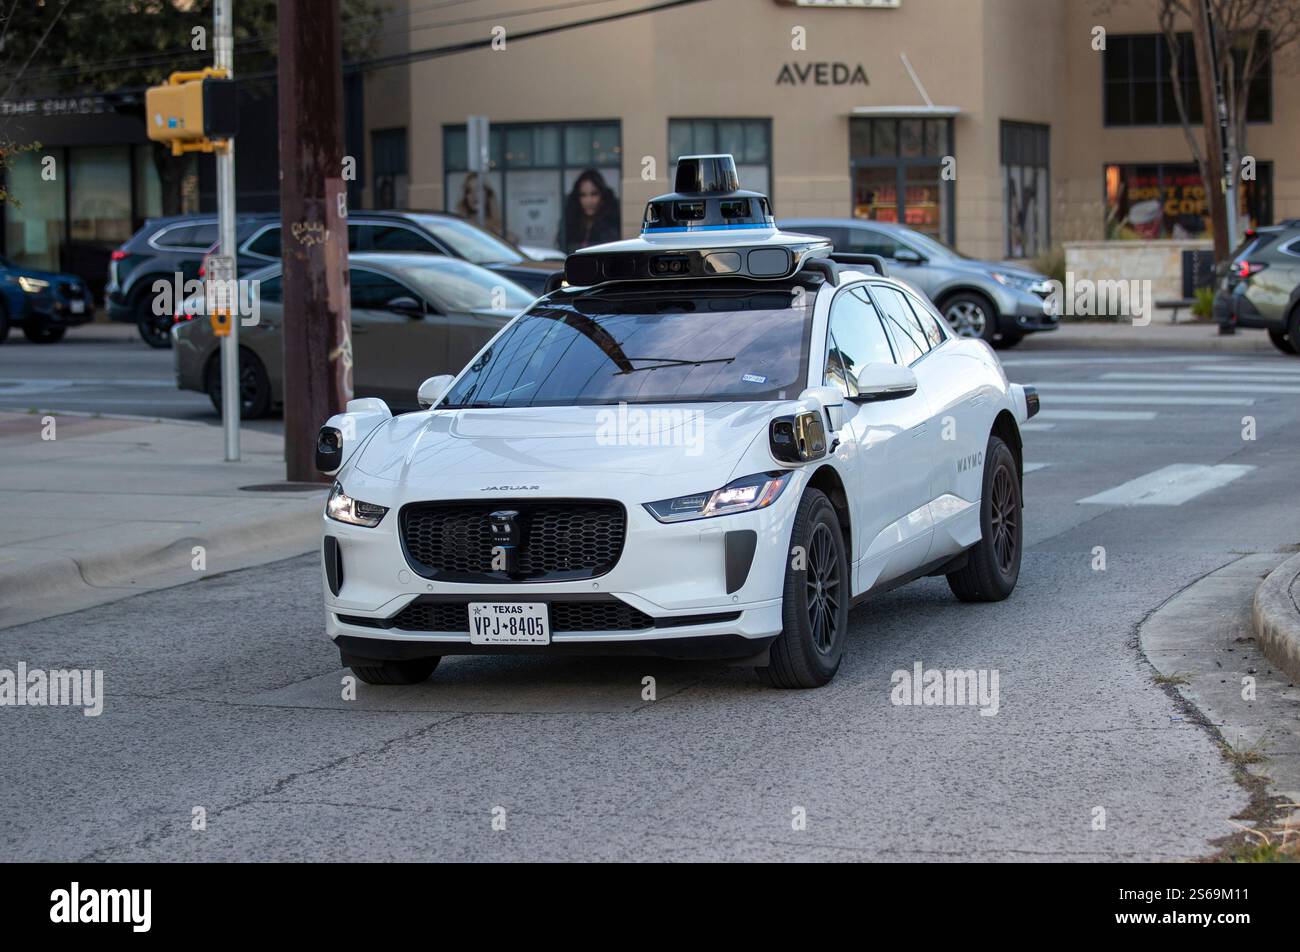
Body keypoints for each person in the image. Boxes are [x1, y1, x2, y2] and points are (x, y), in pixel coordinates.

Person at [559, 168, 620, 253]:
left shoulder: (612, 225)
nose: (589, 201)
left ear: (602, 196)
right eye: (583, 195)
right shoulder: (571, 224)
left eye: (594, 194)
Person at [456, 172, 507, 239]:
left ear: (487, 194)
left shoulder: (496, 225)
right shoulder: (460, 225)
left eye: (478, 189)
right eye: (469, 191)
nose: (474, 195)